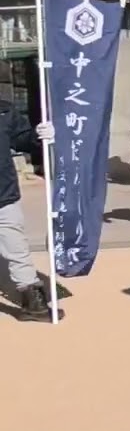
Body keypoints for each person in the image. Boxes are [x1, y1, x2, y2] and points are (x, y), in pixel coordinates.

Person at [0, 104, 56, 320]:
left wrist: (39, 135)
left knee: (17, 250)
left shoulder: (4, 110)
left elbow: (22, 138)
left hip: (3, 195)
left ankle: (34, 303)